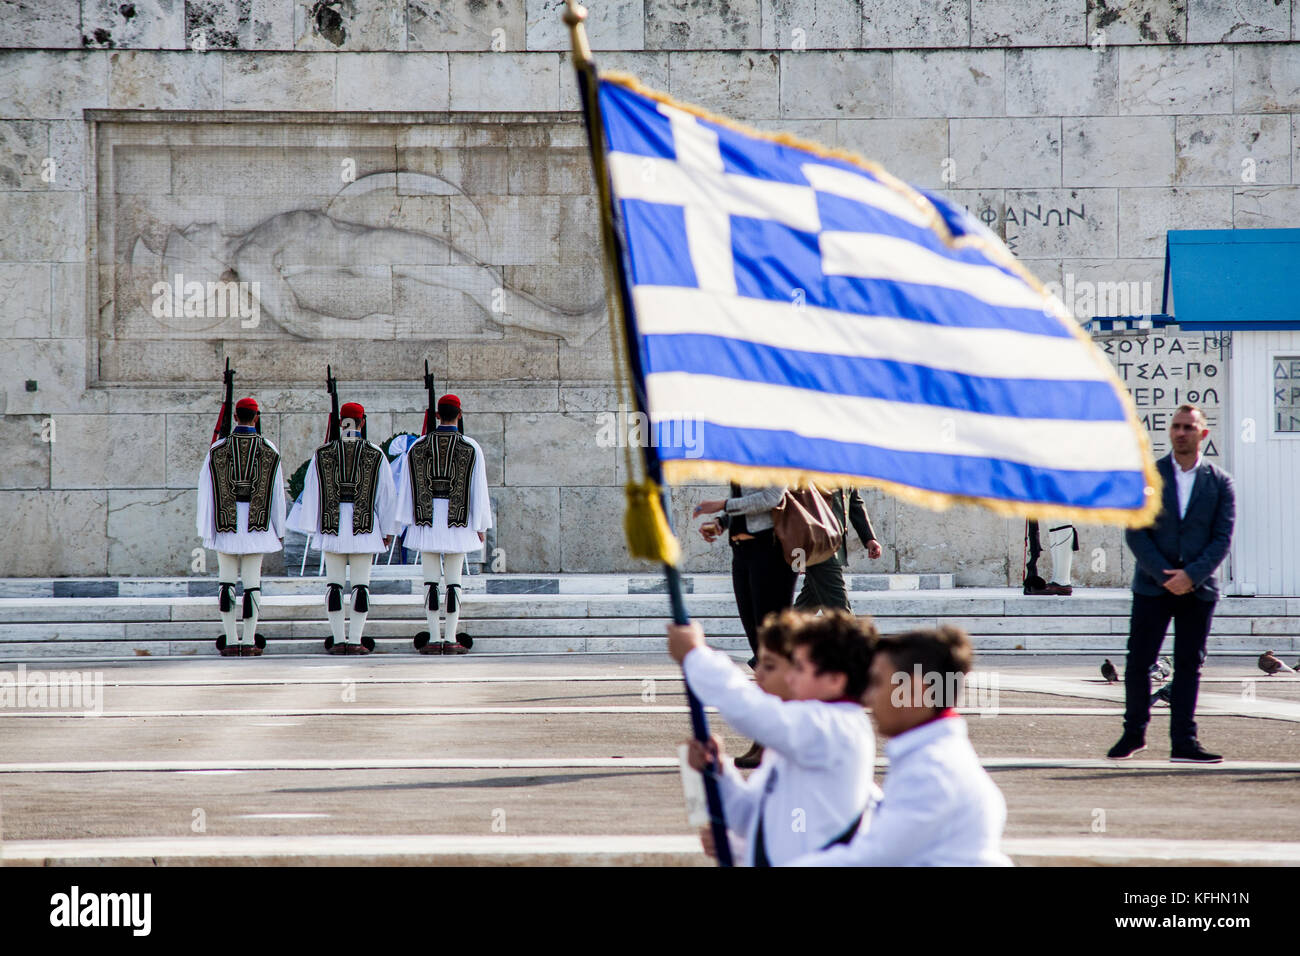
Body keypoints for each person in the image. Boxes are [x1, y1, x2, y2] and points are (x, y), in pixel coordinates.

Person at [668, 609, 879, 868]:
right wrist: (720, 772)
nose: (791, 677)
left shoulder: (837, 726)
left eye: (800, 668)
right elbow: (749, 818)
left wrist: (696, 655)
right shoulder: (806, 732)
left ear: (835, 679)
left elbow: (752, 712)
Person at [787, 626, 1012, 867]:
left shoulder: (930, 771)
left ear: (912, 691)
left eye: (876, 683)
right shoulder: (932, 759)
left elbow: (873, 857)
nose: (867, 698)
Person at [1108, 404, 1235, 763]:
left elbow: (1222, 538)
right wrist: (1166, 575)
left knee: (1189, 665)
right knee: (1139, 662)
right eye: (1176, 426)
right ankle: (1133, 734)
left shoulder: (1220, 482)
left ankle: (1184, 741)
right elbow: (1136, 532)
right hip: (1153, 586)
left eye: (1188, 427)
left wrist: (1190, 576)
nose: (1181, 433)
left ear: (1203, 433)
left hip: (1198, 589)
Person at [695, 483, 796, 767]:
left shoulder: (774, 456)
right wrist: (722, 522)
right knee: (759, 648)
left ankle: (776, 737)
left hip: (771, 552)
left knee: (772, 649)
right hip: (742, 552)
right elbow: (744, 500)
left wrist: (723, 505)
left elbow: (772, 497)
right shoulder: (744, 460)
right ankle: (768, 735)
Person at [289, 400, 397, 655]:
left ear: (341, 423)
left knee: (334, 586)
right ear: (363, 422)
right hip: (365, 529)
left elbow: (312, 491)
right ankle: (355, 640)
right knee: (361, 587)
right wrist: (387, 531)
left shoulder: (323, 453)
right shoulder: (375, 454)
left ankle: (339, 640)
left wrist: (312, 527)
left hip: (332, 528)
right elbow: (386, 495)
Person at [394, 394, 492, 655]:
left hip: (425, 523)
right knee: (453, 583)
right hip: (458, 524)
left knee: (430, 583)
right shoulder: (471, 447)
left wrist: (405, 521)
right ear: (460, 415)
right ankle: (450, 638)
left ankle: (434, 637)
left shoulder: (418, 446)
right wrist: (480, 525)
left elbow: (407, 488)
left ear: (437, 415)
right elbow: (478, 489)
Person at [196, 397, 286, 657]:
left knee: (226, 583)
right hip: (258, 526)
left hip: (226, 526)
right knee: (252, 584)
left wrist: (206, 528)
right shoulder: (269, 448)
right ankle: (248, 641)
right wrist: (279, 530)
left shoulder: (217, 448)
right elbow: (277, 493)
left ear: (235, 417)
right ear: (256, 417)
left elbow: (206, 491)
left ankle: (230, 639)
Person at [795, 486, 883, 613]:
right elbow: (798, 504)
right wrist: (799, 554)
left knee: (809, 601)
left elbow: (853, 502)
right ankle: (848, 627)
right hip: (818, 543)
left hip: (834, 544)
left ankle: (783, 626)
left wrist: (869, 538)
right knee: (838, 606)